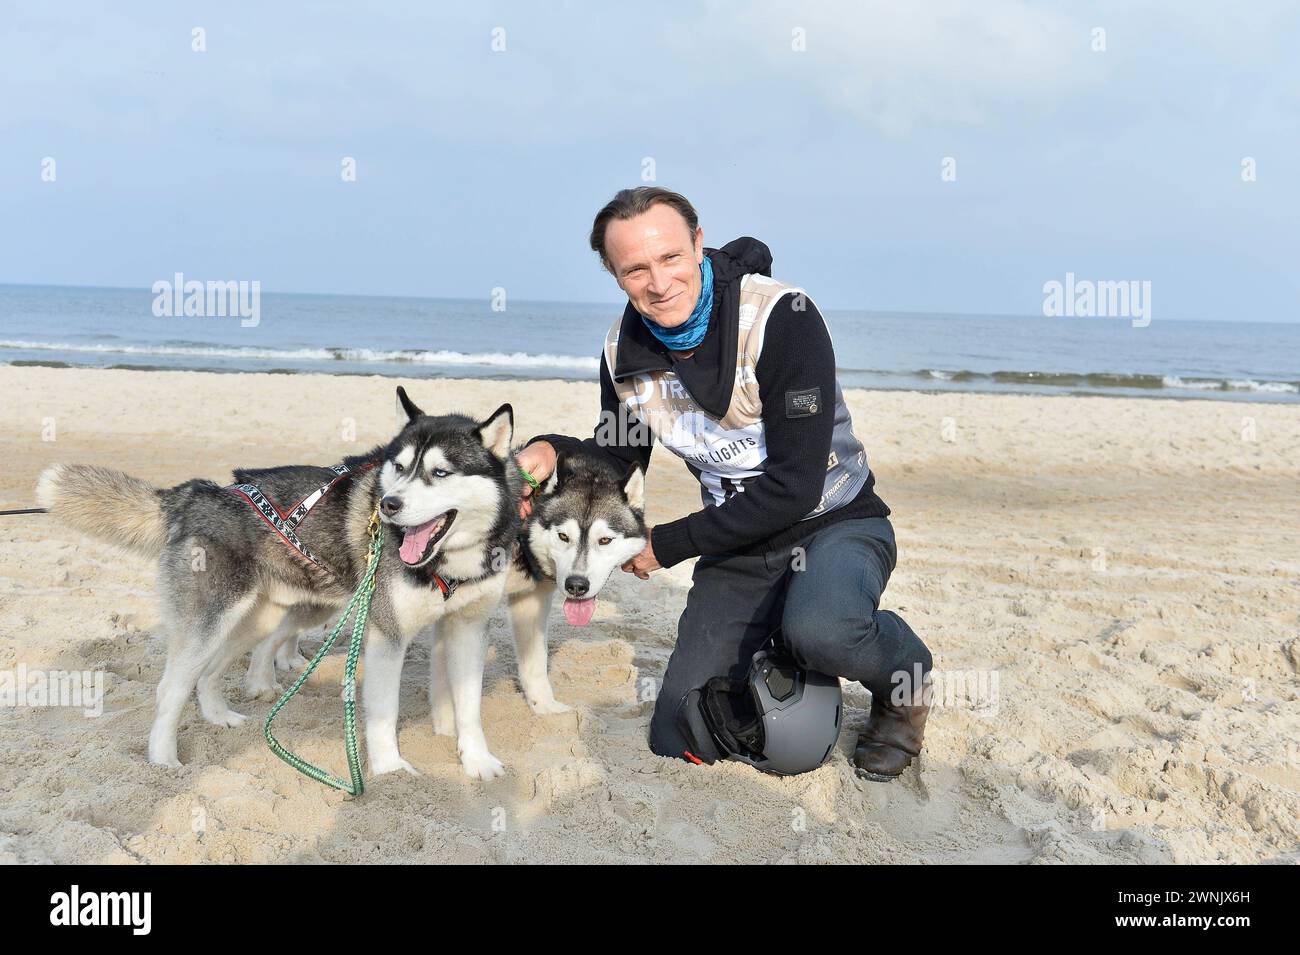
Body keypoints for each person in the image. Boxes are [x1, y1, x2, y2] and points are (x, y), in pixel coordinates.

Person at [515, 187, 932, 780]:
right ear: (615, 274)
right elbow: (617, 455)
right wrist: (550, 449)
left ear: (698, 244)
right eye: (635, 268)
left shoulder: (782, 319)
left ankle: (902, 680)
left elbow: (794, 487)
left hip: (835, 521)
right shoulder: (622, 350)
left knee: (824, 632)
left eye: (671, 258)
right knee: (676, 737)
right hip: (738, 543)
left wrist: (667, 544)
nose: (658, 282)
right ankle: (783, 639)